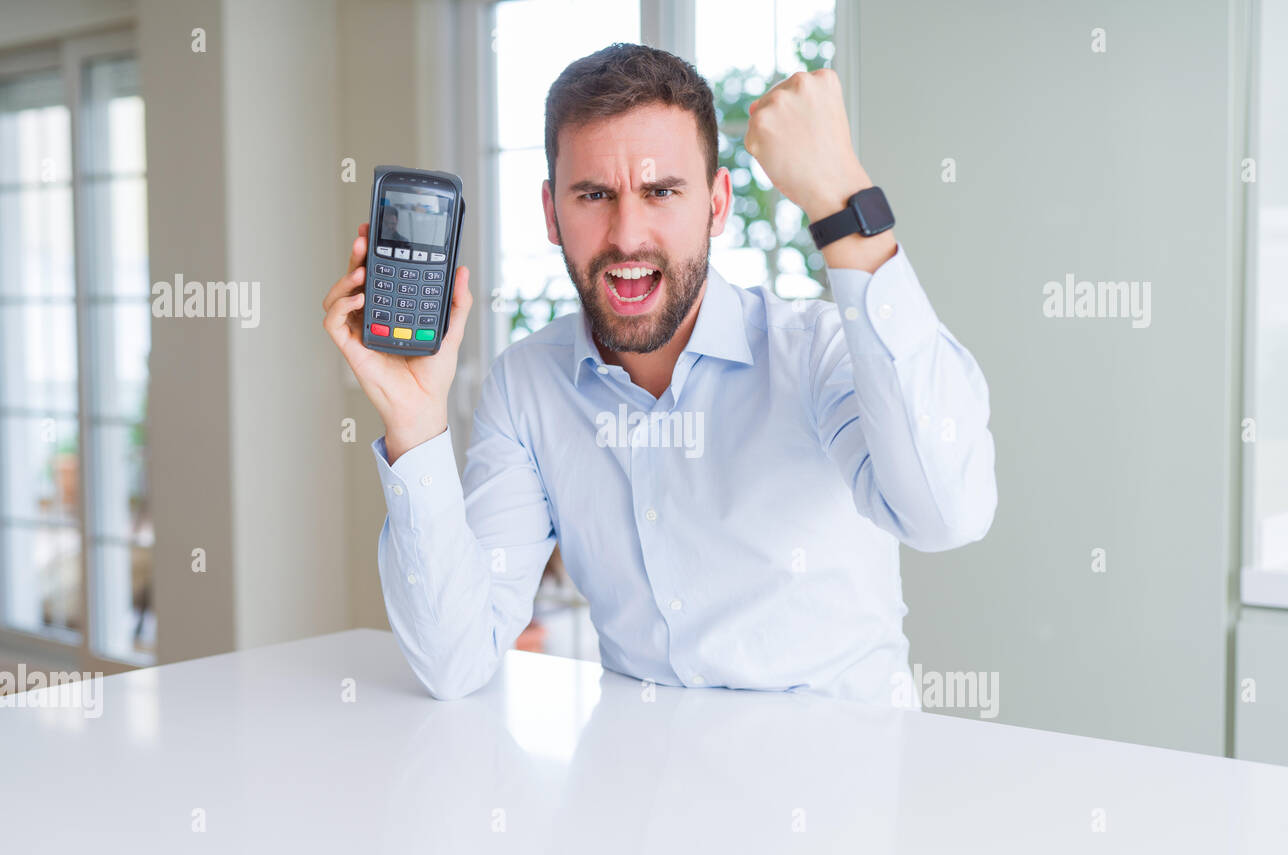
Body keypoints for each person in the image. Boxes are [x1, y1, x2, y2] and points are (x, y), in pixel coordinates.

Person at [321, 43, 997, 707]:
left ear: (717, 204)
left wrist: (842, 198)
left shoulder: (814, 352)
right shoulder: (526, 387)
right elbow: (453, 659)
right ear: (552, 214)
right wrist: (414, 423)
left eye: (662, 190)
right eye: (594, 194)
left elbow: (945, 512)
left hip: (843, 798)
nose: (627, 234)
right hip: (641, 794)